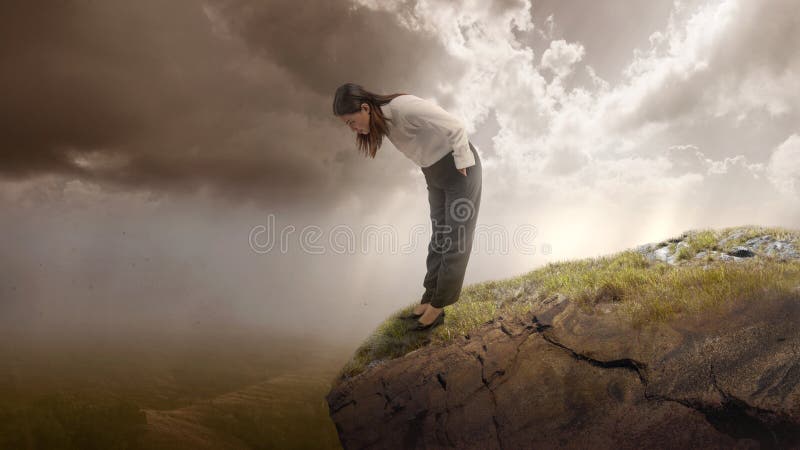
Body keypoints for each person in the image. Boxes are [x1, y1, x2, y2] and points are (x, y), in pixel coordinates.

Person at [332, 83, 482, 331]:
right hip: (434, 174)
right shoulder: (384, 121)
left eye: (351, 122)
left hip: (459, 170)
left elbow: (455, 124)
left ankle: (439, 306)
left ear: (365, 108)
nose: (353, 129)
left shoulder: (403, 108)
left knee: (456, 237)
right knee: (439, 236)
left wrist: (463, 160)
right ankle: (429, 297)